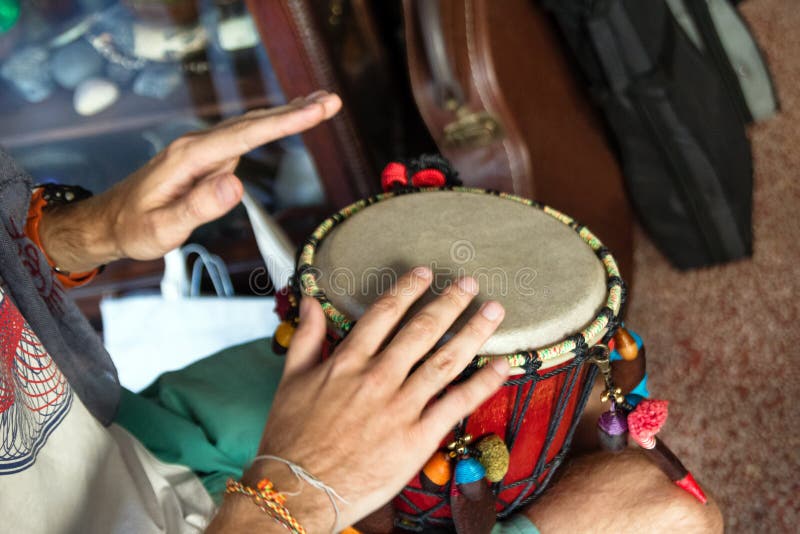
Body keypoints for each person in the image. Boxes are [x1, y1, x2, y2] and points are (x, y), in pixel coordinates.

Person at [0, 90, 722, 533]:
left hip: (144, 439)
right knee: (667, 514)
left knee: (599, 406)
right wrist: (292, 493)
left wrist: (71, 236)